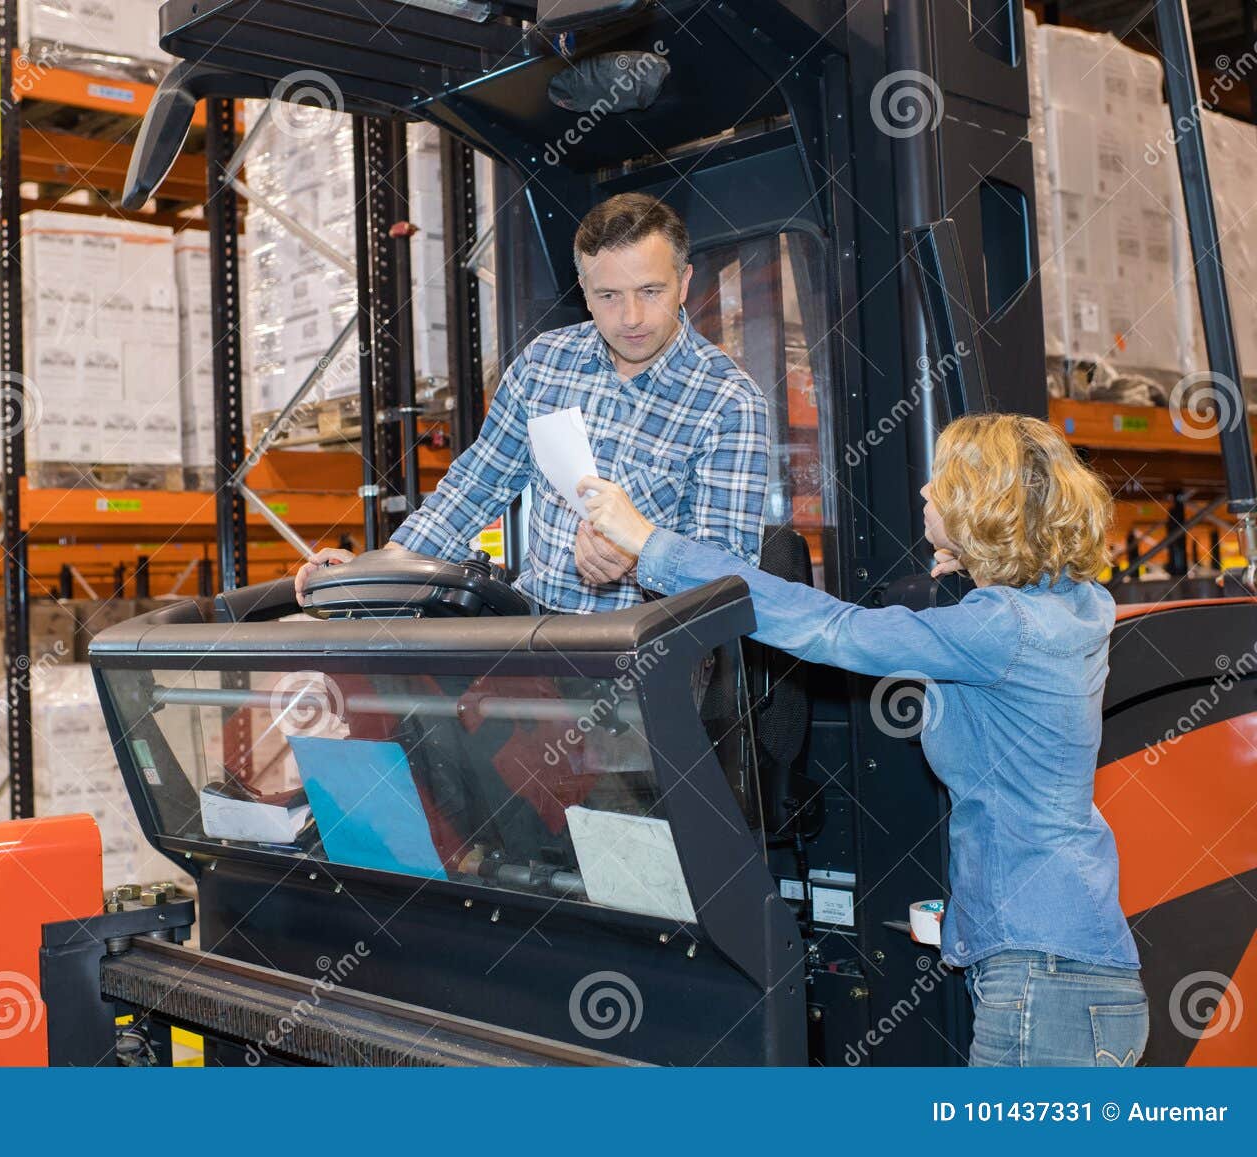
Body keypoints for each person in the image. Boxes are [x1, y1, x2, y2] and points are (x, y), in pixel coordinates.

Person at [580, 412, 1147, 1068]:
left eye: (943, 482)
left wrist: (653, 544)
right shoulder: (1072, 606)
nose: (926, 491)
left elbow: (835, 630)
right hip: (1065, 964)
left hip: (1043, 976)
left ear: (981, 504)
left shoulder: (1002, 627)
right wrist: (975, 559)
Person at [295, 192, 768, 612]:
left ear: (683, 283)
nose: (631, 317)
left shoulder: (729, 401)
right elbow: (477, 483)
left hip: (657, 648)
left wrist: (638, 557)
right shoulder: (546, 362)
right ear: (584, 291)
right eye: (608, 295)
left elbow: (730, 575)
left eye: (650, 291)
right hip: (537, 632)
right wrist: (381, 569)